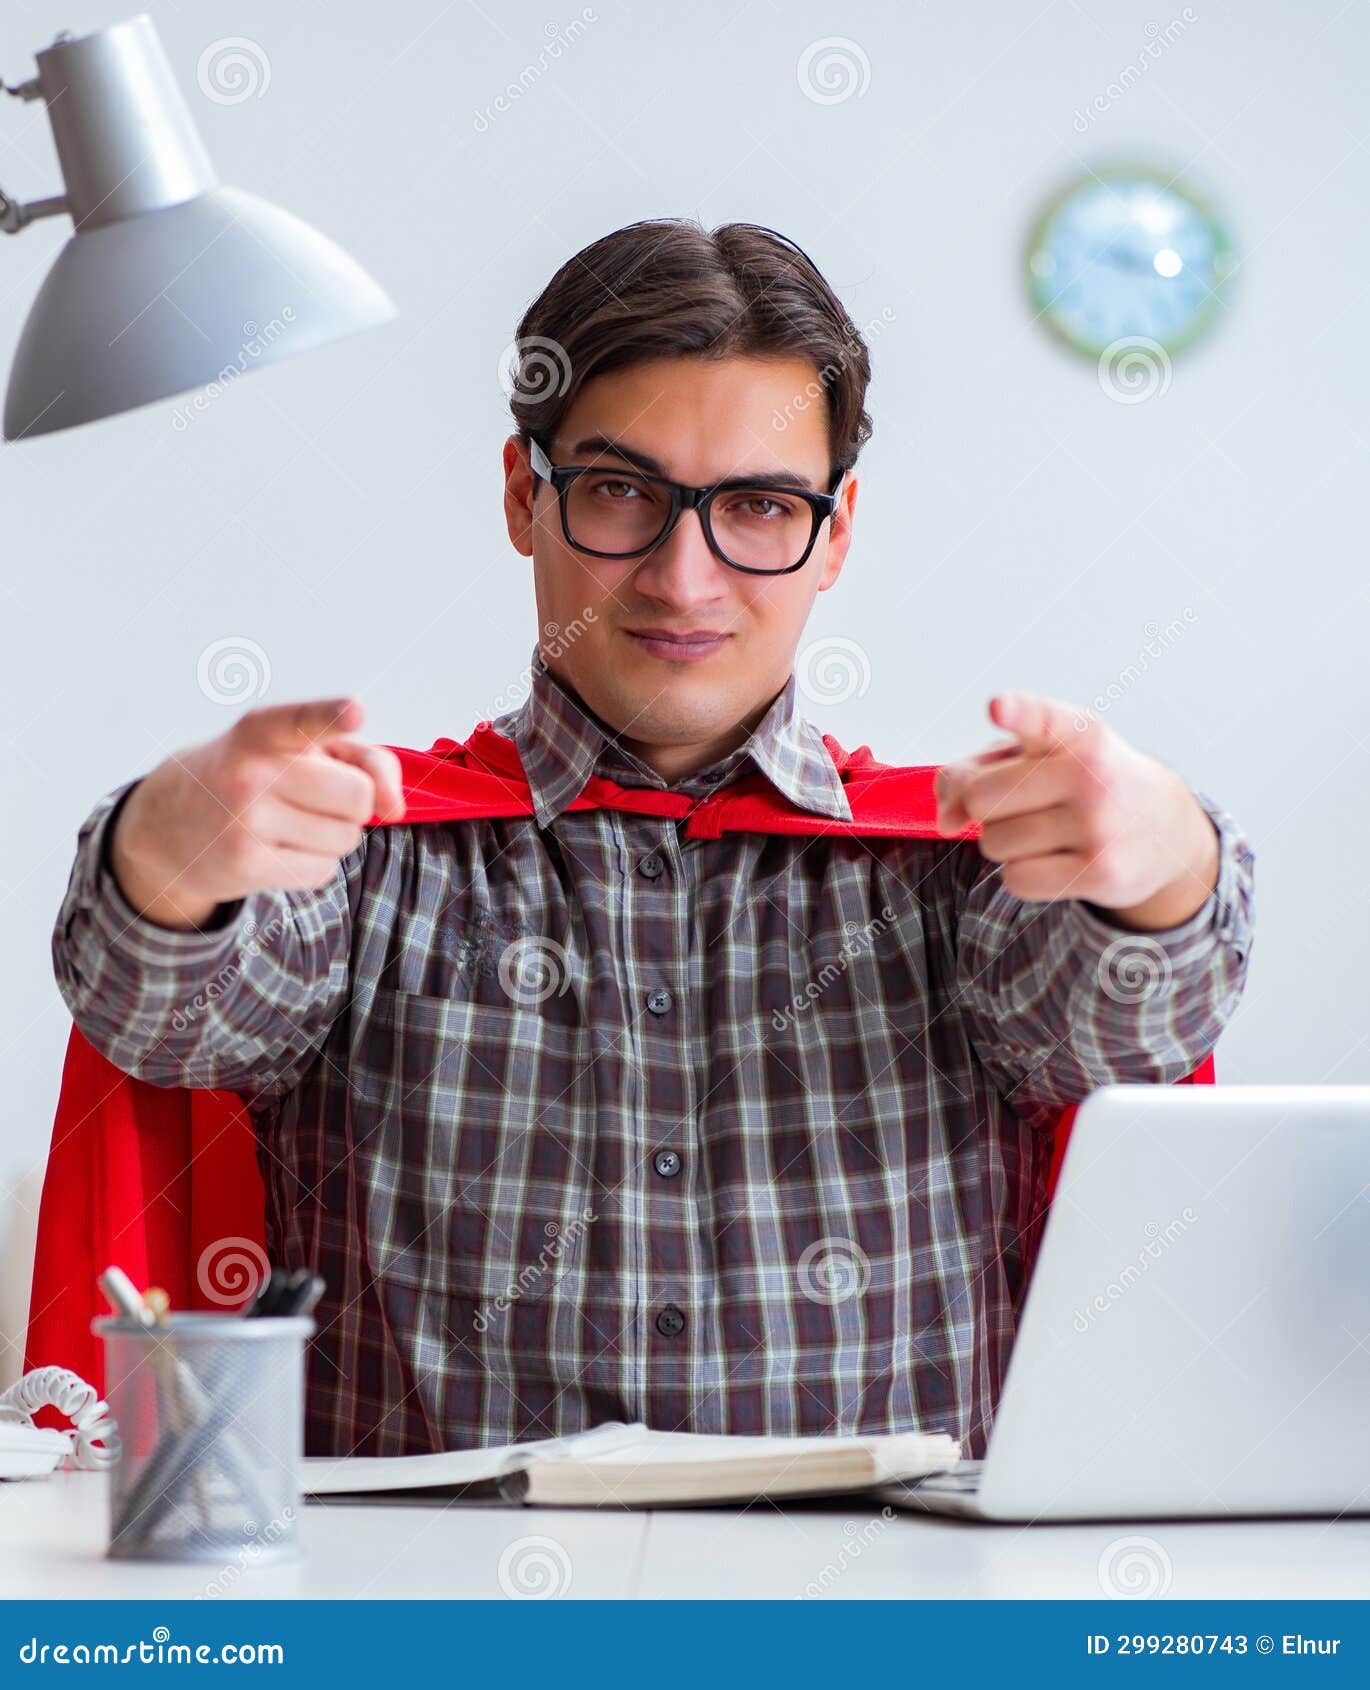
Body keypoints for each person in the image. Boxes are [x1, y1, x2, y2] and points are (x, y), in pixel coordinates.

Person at [51, 218, 1254, 1458]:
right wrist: (161, 853)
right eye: (620, 491)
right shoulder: (359, 857)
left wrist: (1167, 869)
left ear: (832, 535)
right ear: (526, 496)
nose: (685, 579)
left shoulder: (959, 872)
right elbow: (159, 1013)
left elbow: (1121, 1035)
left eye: (757, 505)